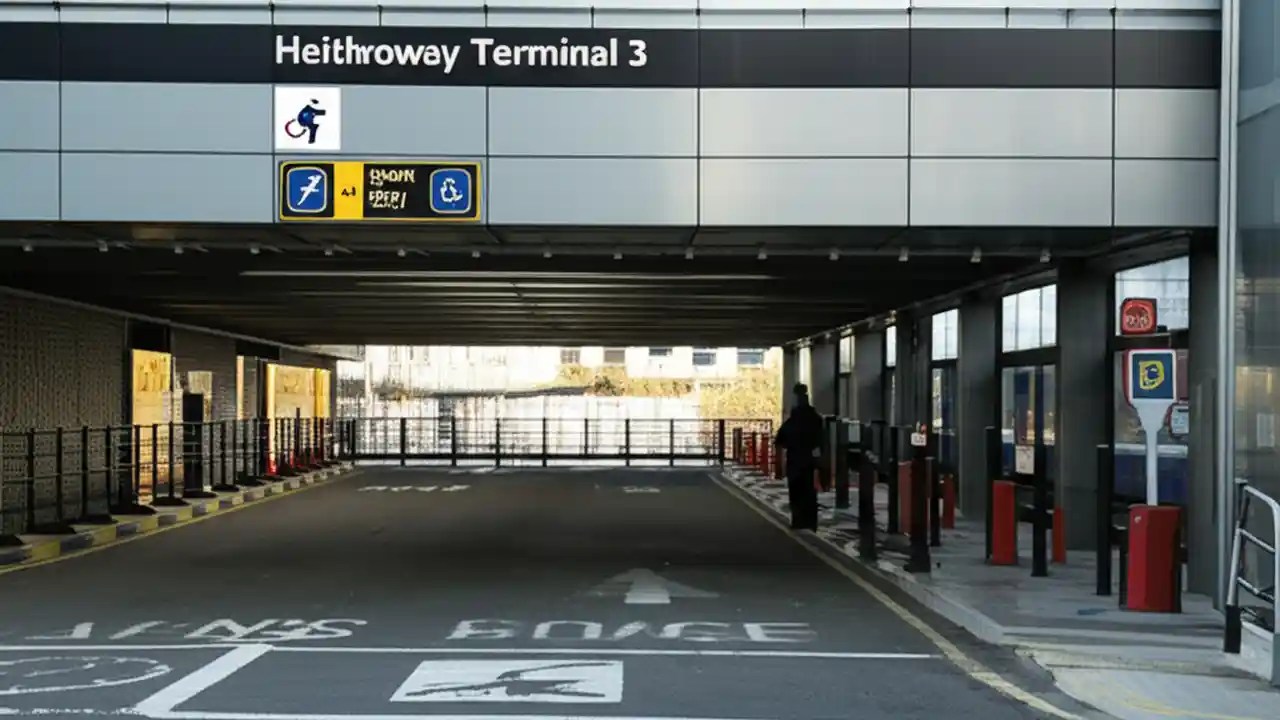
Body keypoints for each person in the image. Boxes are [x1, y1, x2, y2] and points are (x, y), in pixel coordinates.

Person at [774, 383, 825, 530]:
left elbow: (780, 439)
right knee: (809, 492)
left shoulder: (793, 419)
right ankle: (810, 522)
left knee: (796, 492)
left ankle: (798, 521)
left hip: (795, 460)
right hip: (809, 461)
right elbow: (820, 441)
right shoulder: (815, 418)